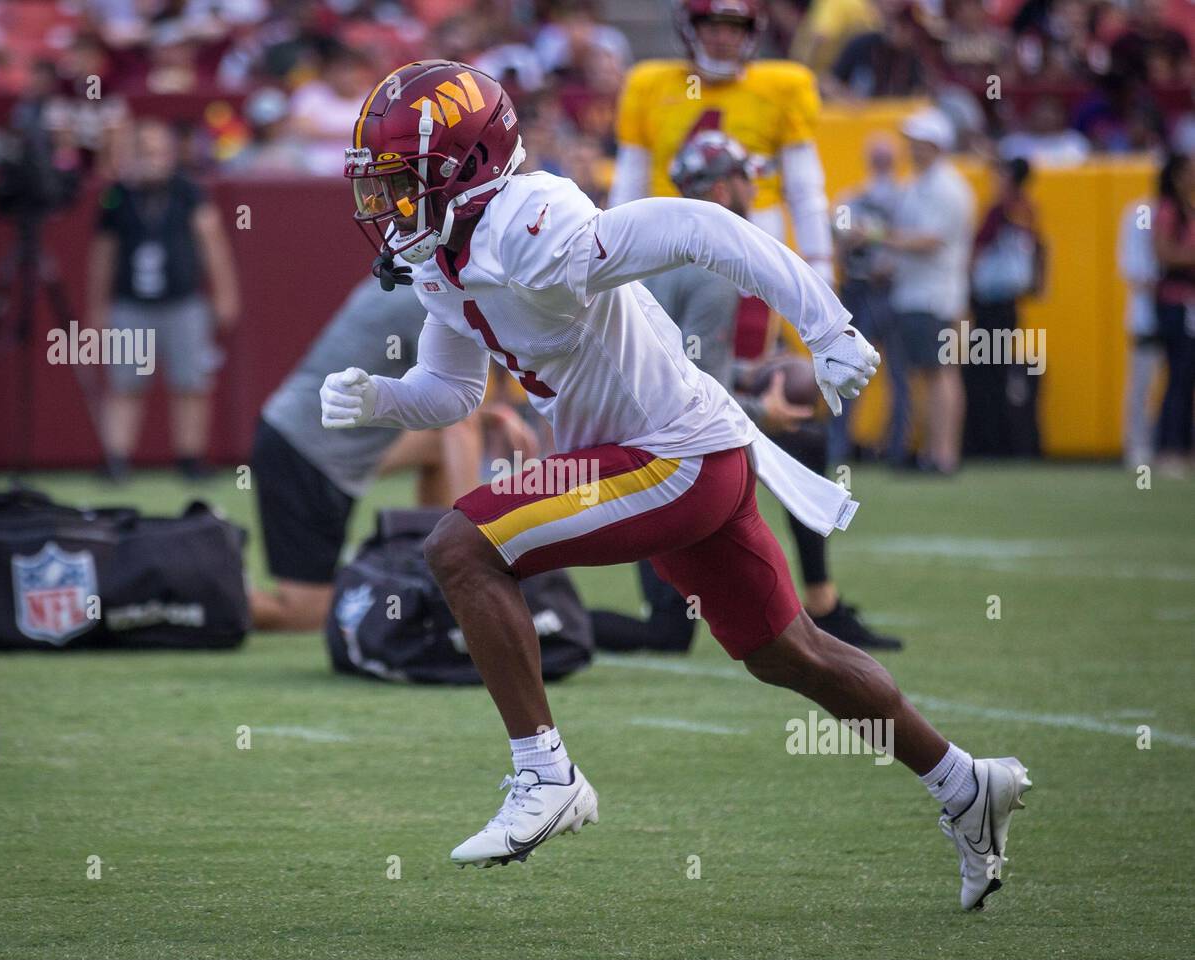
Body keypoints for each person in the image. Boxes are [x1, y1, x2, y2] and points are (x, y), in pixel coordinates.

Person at [325, 60, 1030, 910]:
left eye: (402, 182)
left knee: (460, 548)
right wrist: (381, 398)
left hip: (672, 456)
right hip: (683, 454)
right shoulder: (441, 252)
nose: (384, 205)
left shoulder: (532, 225)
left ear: (466, 167)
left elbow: (702, 227)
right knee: (790, 653)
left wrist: (825, 322)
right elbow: (453, 392)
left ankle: (546, 776)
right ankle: (964, 782)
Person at [591, 131, 901, 653]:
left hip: (624, 422)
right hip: (661, 446)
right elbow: (689, 391)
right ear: (720, 189)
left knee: (800, 444)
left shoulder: (648, 245)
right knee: (668, 633)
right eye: (742, 178)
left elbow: (667, 357)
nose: (753, 190)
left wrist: (745, 372)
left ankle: (821, 604)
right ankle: (548, 617)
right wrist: (765, 409)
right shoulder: (707, 271)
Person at [252, 275, 539, 630]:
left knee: (437, 447)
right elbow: (458, 420)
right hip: (305, 448)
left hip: (328, 441)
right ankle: (189, 596)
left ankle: (429, 564)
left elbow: (448, 405)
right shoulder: (433, 294)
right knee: (304, 613)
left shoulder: (411, 277)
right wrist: (478, 551)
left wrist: (493, 415)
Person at [611, 0, 835, 359]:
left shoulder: (782, 86)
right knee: (658, 360)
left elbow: (805, 190)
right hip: (669, 242)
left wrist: (821, 262)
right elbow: (629, 182)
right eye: (712, 27)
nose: (723, 38)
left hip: (751, 242)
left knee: (741, 361)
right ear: (691, 29)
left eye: (734, 28)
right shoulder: (649, 84)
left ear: (751, 32)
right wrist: (617, 258)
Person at [88, 118, 241, 481]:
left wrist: (224, 293)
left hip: (183, 301)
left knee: (191, 382)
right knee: (125, 383)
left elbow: (212, 244)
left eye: (158, 150)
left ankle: (190, 458)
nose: (151, 158)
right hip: (131, 302)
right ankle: (117, 458)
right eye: (144, 150)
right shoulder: (118, 196)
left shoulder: (188, 192)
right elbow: (102, 255)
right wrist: (97, 306)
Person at [882, 108, 974, 474]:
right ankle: (935, 452)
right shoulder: (922, 184)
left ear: (935, 145)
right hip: (919, 293)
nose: (912, 149)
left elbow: (930, 240)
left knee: (941, 373)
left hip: (936, 295)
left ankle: (943, 455)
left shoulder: (946, 187)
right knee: (931, 374)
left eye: (918, 143)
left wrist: (877, 239)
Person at [966, 156, 1046, 458]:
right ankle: (1000, 441)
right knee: (997, 370)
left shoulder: (1001, 212)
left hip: (990, 304)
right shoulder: (1028, 211)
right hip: (1009, 303)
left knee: (985, 372)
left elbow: (977, 250)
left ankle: (987, 442)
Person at [830, 133, 901, 463]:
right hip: (858, 288)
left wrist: (868, 234)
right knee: (848, 369)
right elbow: (842, 233)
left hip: (892, 289)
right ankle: (838, 448)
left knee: (898, 374)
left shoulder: (903, 198)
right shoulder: (852, 197)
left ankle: (896, 449)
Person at [1152, 153, 1195, 476]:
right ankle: (1169, 448)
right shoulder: (1169, 211)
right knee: (1179, 374)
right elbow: (1164, 253)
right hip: (1176, 302)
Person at [1118, 193, 1162, 469]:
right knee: (1142, 383)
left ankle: (1176, 445)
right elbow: (1134, 270)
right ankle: (1138, 448)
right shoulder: (1141, 213)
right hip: (1151, 316)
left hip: (1182, 314)